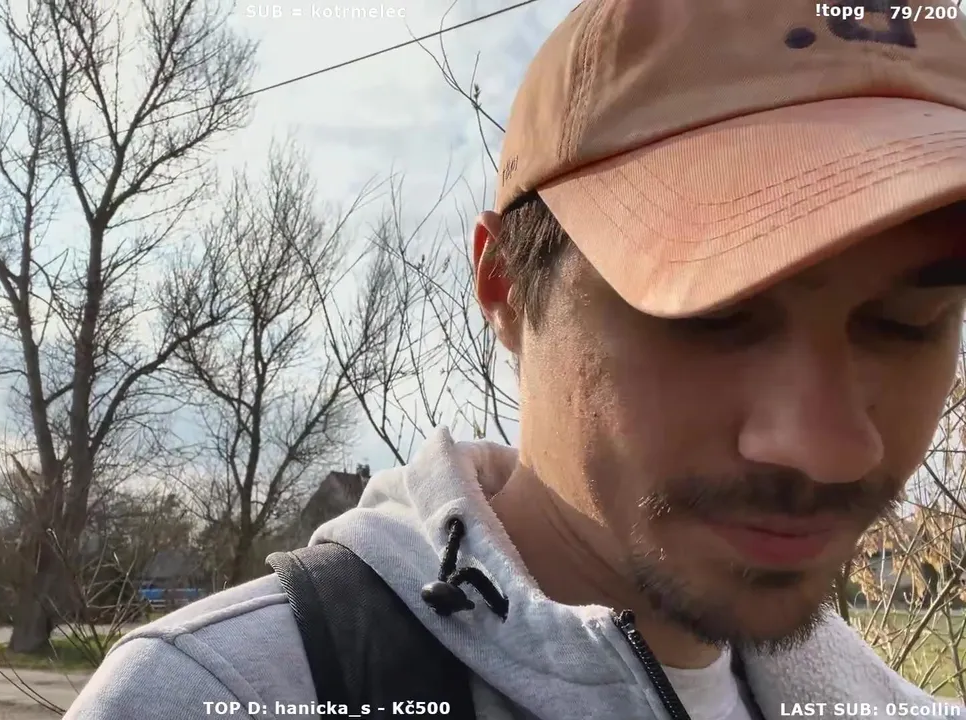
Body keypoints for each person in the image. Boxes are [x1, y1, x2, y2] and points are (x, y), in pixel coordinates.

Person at [66, 0, 966, 718]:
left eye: (908, 324)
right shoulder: (218, 695)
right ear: (504, 287)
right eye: (714, 313)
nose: (827, 449)